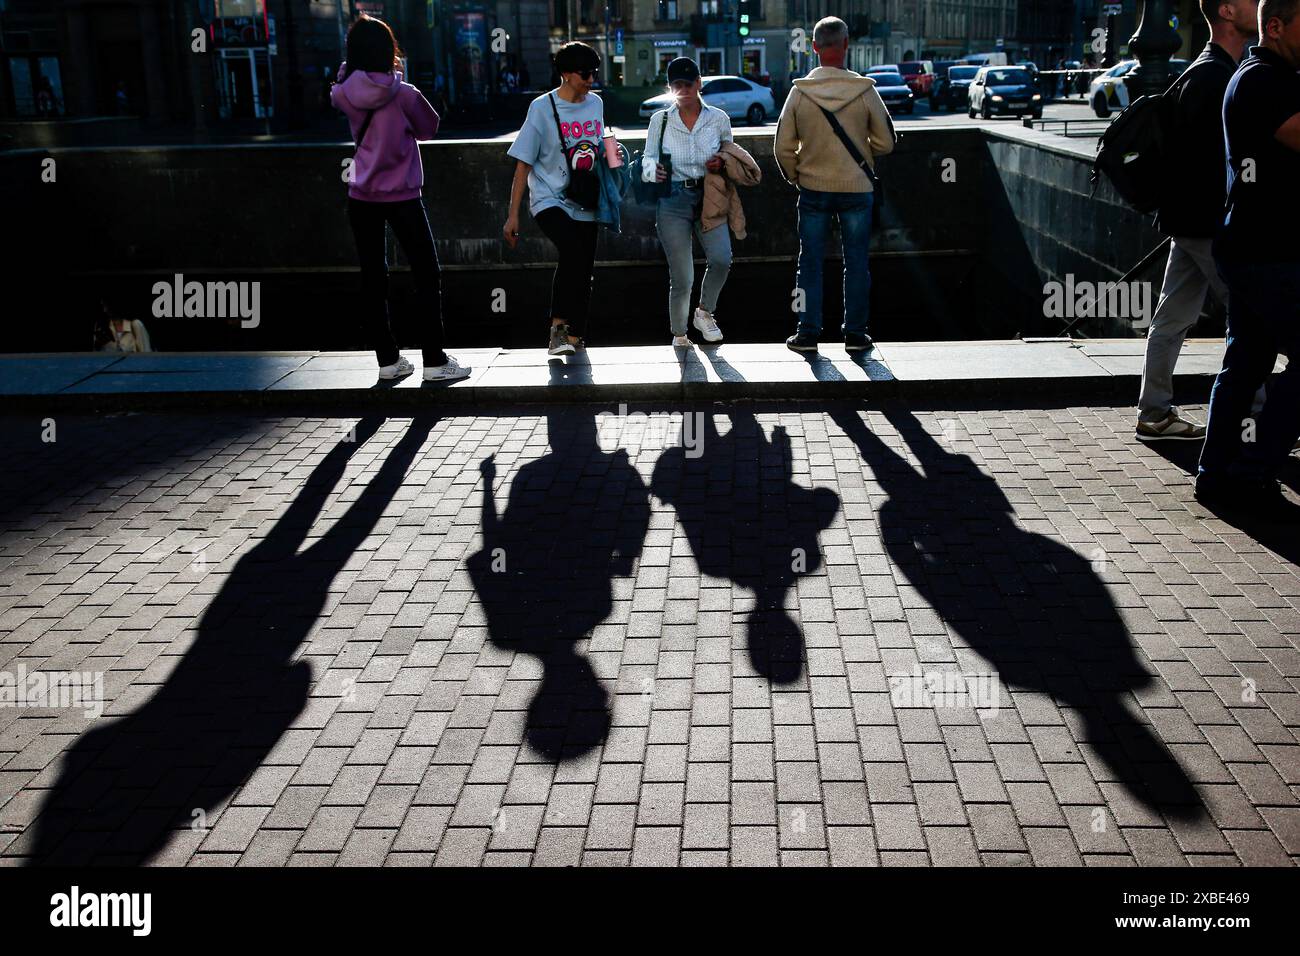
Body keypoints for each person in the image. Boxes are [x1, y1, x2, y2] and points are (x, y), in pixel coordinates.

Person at [1136, 0, 1260, 441]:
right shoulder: (1217, 76)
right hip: (1209, 224)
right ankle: (1256, 419)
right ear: (1227, 11)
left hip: (1185, 220)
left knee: (1171, 318)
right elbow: (1219, 163)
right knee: (1253, 319)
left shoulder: (1200, 70)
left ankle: (1153, 414)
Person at [1196, 0, 1300, 515]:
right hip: (1269, 254)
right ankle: (1253, 468)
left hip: (1255, 247)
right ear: (1276, 26)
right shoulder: (1263, 79)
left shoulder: (1268, 73)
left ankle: (1217, 477)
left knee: (1246, 364)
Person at [331, 14, 468, 381]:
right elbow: (430, 128)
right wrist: (398, 76)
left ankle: (389, 360)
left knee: (374, 277)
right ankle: (435, 361)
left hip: (361, 196)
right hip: (403, 196)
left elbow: (344, 80)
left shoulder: (344, 92)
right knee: (427, 274)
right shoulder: (404, 94)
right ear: (389, 50)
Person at [775, 16, 895, 354]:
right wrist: (862, 154)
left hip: (813, 189)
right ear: (845, 46)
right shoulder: (865, 91)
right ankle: (856, 335)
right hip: (857, 189)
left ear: (814, 48)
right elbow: (886, 142)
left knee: (809, 262)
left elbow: (782, 146)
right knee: (856, 262)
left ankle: (807, 333)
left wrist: (796, 175)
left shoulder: (800, 93)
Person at [503, 42, 607, 356]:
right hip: (548, 198)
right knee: (573, 250)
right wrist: (513, 215)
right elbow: (523, 163)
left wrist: (619, 170)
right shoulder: (541, 107)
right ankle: (558, 331)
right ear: (565, 74)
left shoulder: (596, 104)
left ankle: (577, 336)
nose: (591, 80)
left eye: (594, 73)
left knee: (583, 264)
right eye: (585, 73)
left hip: (586, 197)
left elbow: (601, 145)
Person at [642, 57, 735, 346]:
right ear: (670, 88)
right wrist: (651, 170)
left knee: (721, 259)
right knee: (682, 276)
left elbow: (730, 155)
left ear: (699, 84)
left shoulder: (718, 118)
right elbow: (646, 158)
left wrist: (722, 161)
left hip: (709, 197)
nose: (682, 91)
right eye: (676, 85)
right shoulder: (661, 119)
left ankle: (705, 312)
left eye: (687, 84)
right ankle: (680, 335)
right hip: (673, 198)